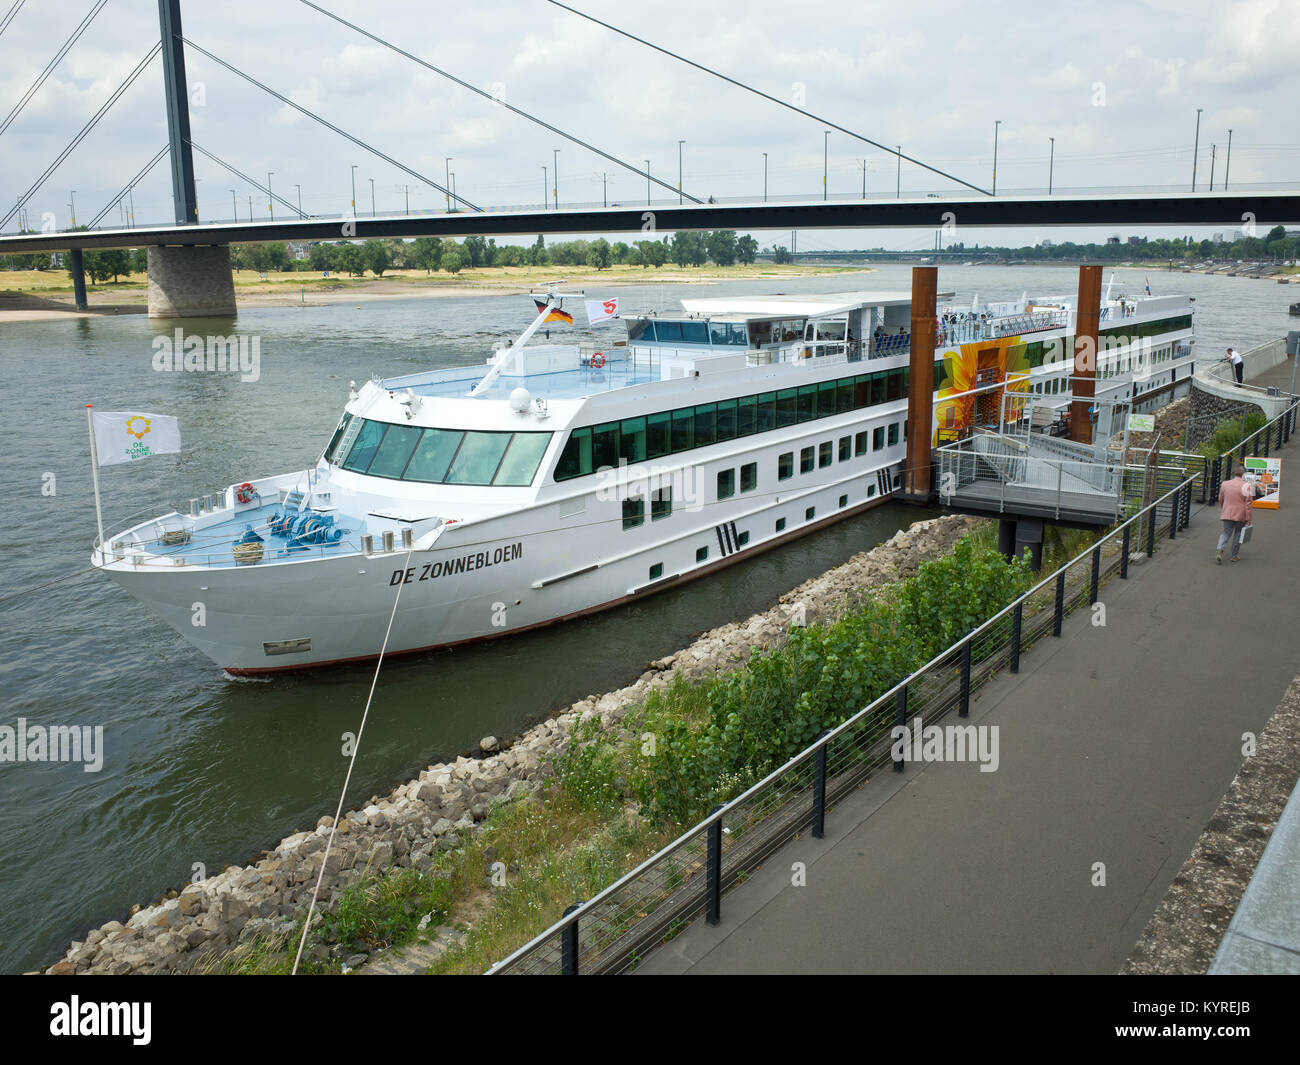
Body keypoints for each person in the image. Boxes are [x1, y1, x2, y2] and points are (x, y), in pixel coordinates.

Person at [1217, 467, 1255, 563]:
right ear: (1243, 475)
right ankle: (1234, 555)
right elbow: (1248, 504)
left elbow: (1221, 499)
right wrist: (1248, 518)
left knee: (1226, 532)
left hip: (1227, 512)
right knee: (1238, 534)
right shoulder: (1247, 486)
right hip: (1240, 514)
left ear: (1234, 474)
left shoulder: (1225, 484)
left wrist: (1224, 508)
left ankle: (1220, 550)